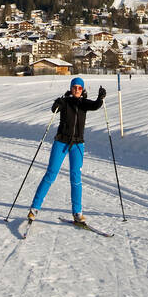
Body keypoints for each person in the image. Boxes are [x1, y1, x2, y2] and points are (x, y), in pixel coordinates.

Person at [28, 76, 106, 224]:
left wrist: (101, 97)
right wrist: (57, 103)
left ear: (83, 90)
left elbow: (95, 105)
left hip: (77, 145)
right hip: (61, 142)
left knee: (76, 178)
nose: (77, 90)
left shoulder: (84, 103)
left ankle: (77, 213)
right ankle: (34, 208)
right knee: (51, 174)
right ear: (71, 88)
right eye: (74, 87)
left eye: (80, 88)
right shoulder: (65, 101)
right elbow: (54, 110)